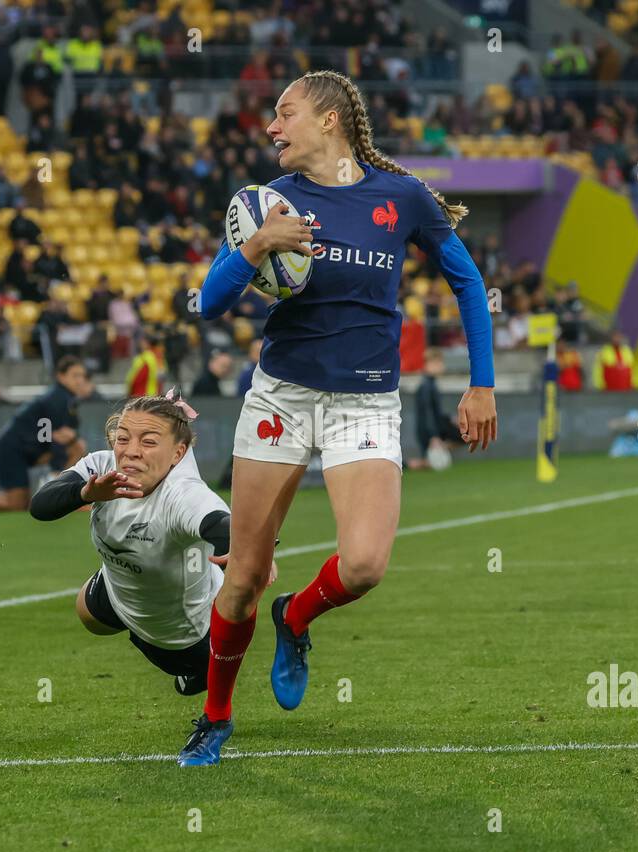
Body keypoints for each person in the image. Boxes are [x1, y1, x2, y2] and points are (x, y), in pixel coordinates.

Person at [188, 69, 497, 766]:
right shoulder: (269, 203)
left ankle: (294, 616)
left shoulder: (402, 197)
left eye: (284, 113)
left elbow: (468, 281)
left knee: (362, 566)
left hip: (365, 401)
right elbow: (207, 304)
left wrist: (482, 383)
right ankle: (215, 714)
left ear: (329, 119)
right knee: (241, 576)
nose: (272, 127)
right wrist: (257, 246)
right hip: (281, 399)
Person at [29, 393, 277, 709]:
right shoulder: (103, 465)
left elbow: (220, 524)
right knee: (87, 612)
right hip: (121, 591)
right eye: (122, 438)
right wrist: (85, 493)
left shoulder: (183, 494)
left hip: (181, 635)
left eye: (148, 442)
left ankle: (200, 672)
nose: (131, 451)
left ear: (178, 453)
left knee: (195, 675)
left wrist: (254, 551)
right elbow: (41, 506)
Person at [0, 355, 95, 513]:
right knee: (17, 504)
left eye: (82, 376)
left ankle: (61, 492)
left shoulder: (67, 398)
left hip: (28, 448)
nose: (80, 380)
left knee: (76, 446)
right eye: (75, 375)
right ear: (60, 376)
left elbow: (58, 437)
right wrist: (54, 473)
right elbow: (56, 438)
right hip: (13, 449)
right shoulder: (57, 398)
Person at [406, 348, 463, 470]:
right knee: (468, 434)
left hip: (434, 427)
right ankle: (408, 464)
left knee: (431, 463)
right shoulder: (426, 386)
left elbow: (435, 411)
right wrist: (434, 436)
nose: (441, 366)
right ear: (427, 365)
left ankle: (412, 463)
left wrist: (450, 418)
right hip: (431, 429)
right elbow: (428, 413)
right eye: (437, 363)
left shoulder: (430, 384)